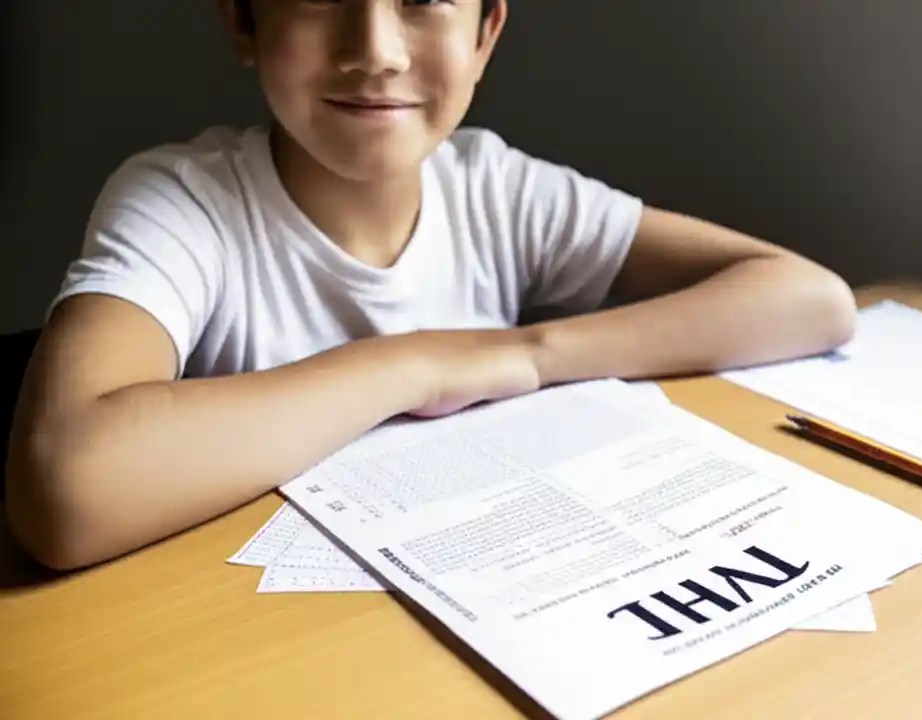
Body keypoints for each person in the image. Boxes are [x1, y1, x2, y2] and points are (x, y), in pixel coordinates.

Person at [4, 0, 856, 570]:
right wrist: (420, 364)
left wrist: (533, 352)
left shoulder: (496, 191)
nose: (374, 50)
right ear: (242, 19)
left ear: (486, 32)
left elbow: (809, 299)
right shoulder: (183, 204)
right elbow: (65, 489)